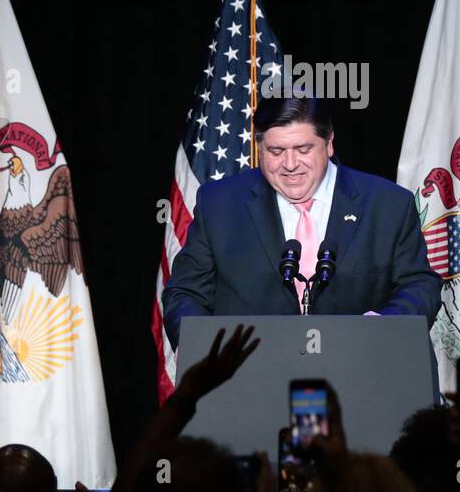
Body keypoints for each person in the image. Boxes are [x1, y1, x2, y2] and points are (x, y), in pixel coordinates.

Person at [161, 95, 441, 346]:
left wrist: (386, 327)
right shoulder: (218, 205)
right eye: (276, 151)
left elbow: (419, 285)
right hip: (250, 379)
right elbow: (185, 293)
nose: (291, 164)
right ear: (259, 147)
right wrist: (206, 346)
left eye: (303, 149)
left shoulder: (388, 204)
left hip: (362, 371)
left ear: (329, 143)